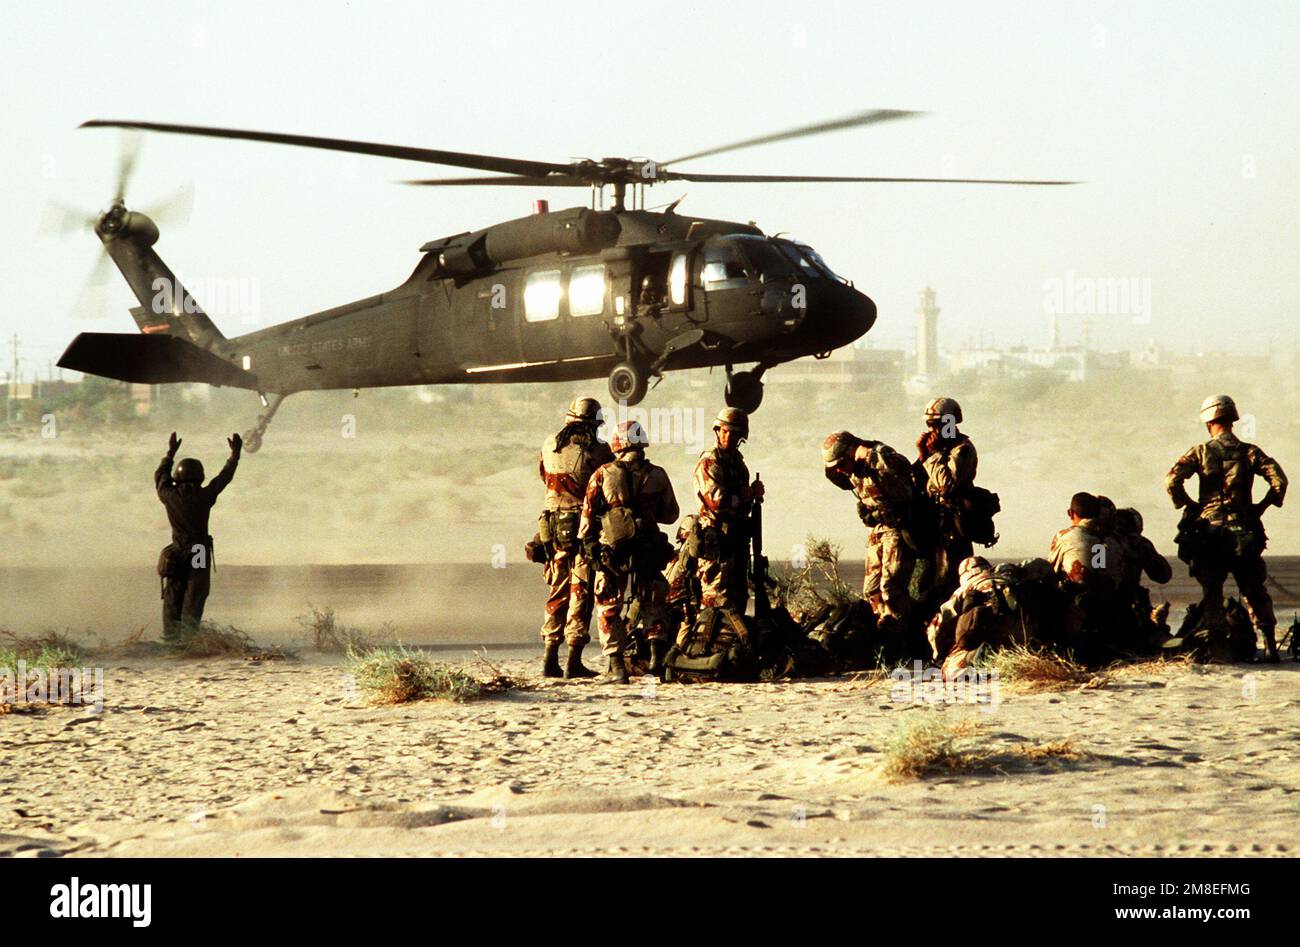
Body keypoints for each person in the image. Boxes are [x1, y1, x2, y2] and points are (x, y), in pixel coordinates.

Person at [1166, 394, 1288, 660]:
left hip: (1211, 535)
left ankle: (1218, 650)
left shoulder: (1199, 452)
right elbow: (1279, 481)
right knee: (1254, 590)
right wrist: (1262, 507)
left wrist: (1192, 506)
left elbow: (1171, 482)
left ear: (1208, 422)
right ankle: (1269, 647)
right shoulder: (1250, 452)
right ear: (1233, 419)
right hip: (1245, 532)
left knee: (1212, 592)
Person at [579, 420, 679, 683]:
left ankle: (616, 667)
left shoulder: (602, 474)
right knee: (653, 600)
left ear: (617, 444)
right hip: (647, 548)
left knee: (608, 603)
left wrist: (592, 545)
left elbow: (587, 517)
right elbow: (671, 514)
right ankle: (657, 660)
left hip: (613, 551)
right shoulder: (658, 474)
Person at [537, 397, 613, 678]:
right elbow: (606, 485)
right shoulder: (598, 451)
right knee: (579, 593)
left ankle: (548, 658)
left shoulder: (548, 445)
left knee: (556, 593)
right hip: (583, 530)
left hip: (553, 530)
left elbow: (544, 477)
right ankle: (574, 660)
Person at [822, 430, 916, 636]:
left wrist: (870, 456)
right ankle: (882, 631)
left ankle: (900, 637)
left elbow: (904, 466)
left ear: (852, 453)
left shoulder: (877, 453)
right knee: (872, 591)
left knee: (891, 588)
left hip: (898, 529)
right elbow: (839, 477)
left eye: (841, 464)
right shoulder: (849, 471)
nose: (840, 470)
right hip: (877, 531)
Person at [155, 430, 241, 639]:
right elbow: (223, 478)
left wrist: (169, 454)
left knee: (172, 595)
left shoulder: (168, 495)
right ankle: (189, 638)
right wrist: (235, 455)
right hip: (199, 550)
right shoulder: (205, 495)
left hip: (176, 551)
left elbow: (160, 477)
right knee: (196, 594)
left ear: (177, 477)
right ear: (200, 476)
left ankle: (170, 638)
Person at [685, 408, 763, 626]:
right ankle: (706, 653)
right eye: (726, 431)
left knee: (738, 600)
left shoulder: (738, 464)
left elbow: (739, 505)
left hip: (736, 542)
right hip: (716, 542)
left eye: (735, 433)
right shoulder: (710, 462)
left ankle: (729, 652)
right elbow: (717, 502)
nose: (729, 437)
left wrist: (752, 495)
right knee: (715, 601)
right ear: (718, 431)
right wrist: (748, 493)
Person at [915, 397, 979, 603]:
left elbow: (946, 484)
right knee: (927, 581)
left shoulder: (962, 449)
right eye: (929, 424)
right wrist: (922, 455)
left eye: (936, 424)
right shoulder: (938, 450)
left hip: (953, 526)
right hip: (932, 525)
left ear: (949, 423)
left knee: (948, 582)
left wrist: (931, 455)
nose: (932, 429)